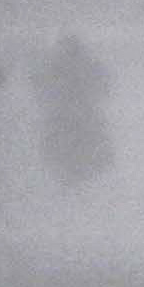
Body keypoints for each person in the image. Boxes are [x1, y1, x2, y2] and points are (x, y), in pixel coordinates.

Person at [34, 33, 114, 189]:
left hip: (73, 117)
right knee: (73, 147)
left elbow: (41, 87)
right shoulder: (83, 66)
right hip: (73, 117)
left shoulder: (56, 67)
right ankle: (80, 180)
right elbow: (103, 85)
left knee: (73, 147)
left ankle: (79, 180)